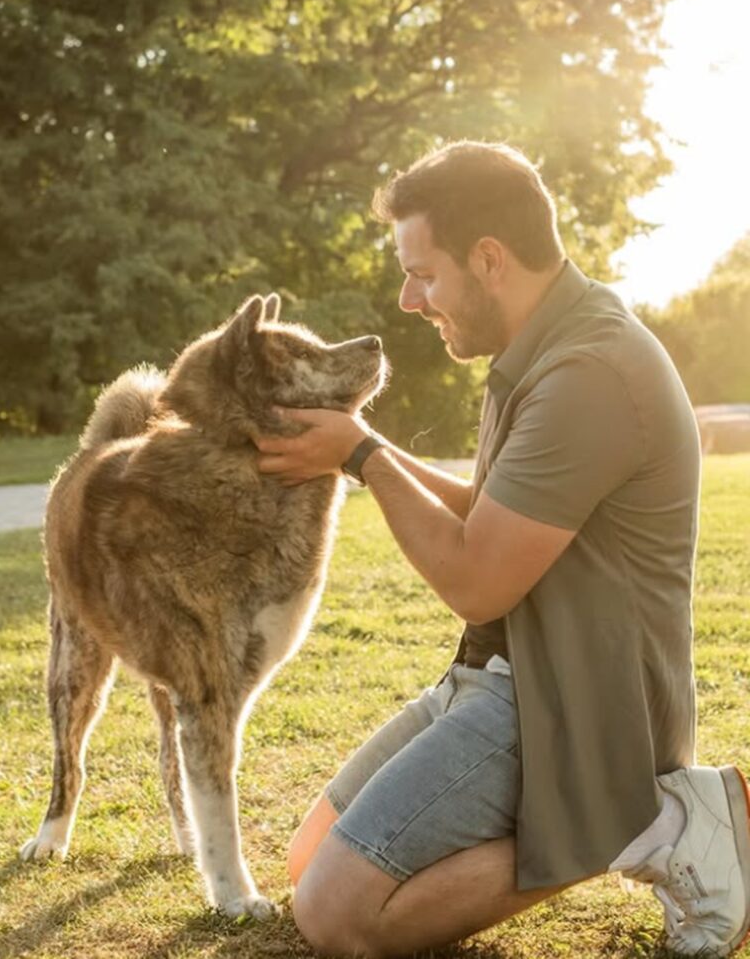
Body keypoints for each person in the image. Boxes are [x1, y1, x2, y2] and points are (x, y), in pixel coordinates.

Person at [255, 141, 750, 958]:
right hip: (499, 676)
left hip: (572, 703)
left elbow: (476, 580)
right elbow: (490, 515)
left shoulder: (589, 373)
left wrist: (362, 456)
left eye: (424, 273)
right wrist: (358, 445)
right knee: (308, 866)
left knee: (336, 918)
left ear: (489, 258)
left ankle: (651, 819)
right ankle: (627, 815)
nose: (411, 299)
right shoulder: (545, 347)